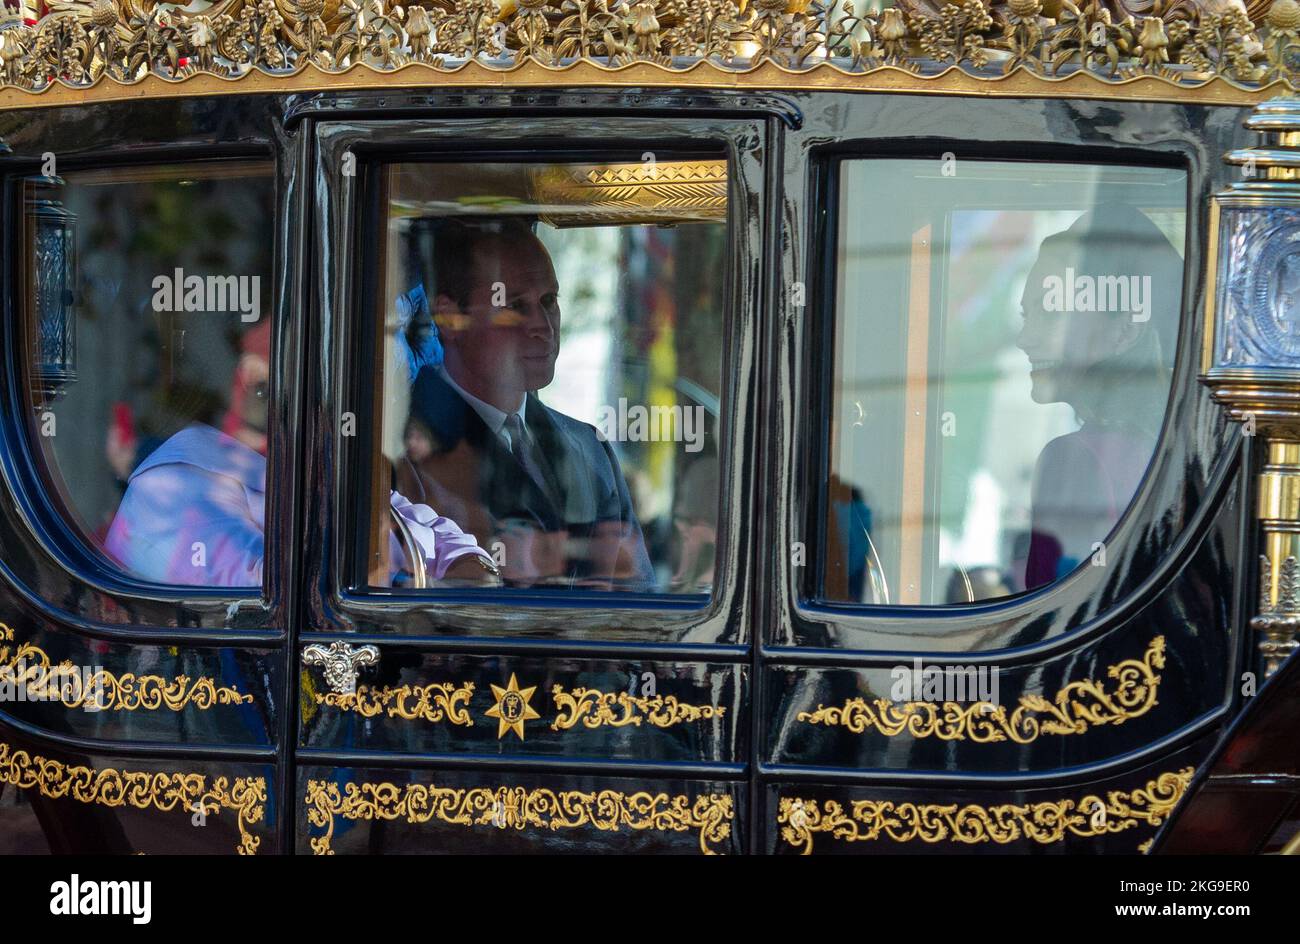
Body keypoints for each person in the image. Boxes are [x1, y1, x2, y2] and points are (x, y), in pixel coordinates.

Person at [105, 321, 494, 587]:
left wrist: (464, 568)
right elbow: (273, 598)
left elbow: (444, 539)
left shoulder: (314, 470)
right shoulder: (172, 484)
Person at [399, 216, 654, 590]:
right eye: (515, 306)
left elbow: (637, 602)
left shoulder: (589, 446)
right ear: (450, 318)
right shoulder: (400, 449)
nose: (544, 326)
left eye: (549, 301)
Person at [1016, 205, 1181, 590]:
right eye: (1027, 315)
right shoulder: (1177, 449)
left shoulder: (1073, 458)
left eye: (1051, 312)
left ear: (1124, 331)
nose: (1025, 339)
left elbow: (1049, 624)